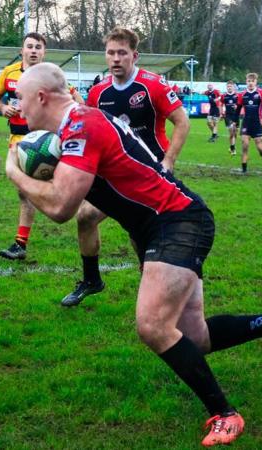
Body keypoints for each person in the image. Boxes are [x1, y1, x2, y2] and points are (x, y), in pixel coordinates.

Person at [7, 62, 262, 447]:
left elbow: (61, 207)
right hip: (165, 222)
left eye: (20, 98)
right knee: (195, 338)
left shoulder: (82, 126)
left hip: (176, 221)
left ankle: (225, 414)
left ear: (41, 97)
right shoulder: (78, 124)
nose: (18, 107)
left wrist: (14, 171)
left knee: (152, 325)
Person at [63, 27, 190, 307]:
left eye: (122, 53)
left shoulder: (153, 85)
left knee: (138, 231)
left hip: (150, 174)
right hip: (116, 173)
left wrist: (168, 161)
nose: (116, 58)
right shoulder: (98, 92)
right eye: (110, 53)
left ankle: (152, 284)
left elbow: (182, 122)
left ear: (135, 55)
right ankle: (91, 280)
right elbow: (94, 129)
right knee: (85, 217)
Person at [0, 32, 85, 262]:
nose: (33, 51)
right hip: (19, 140)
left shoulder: (51, 75)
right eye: (29, 46)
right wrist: (3, 108)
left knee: (55, 187)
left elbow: (78, 102)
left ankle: (83, 214)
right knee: (25, 191)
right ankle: (21, 243)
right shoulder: (9, 73)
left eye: (38, 47)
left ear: (44, 52)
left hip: (47, 142)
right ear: (21, 51)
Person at [237, 72, 262, 174]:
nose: (250, 83)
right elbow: (237, 110)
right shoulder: (242, 95)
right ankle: (244, 170)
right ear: (246, 82)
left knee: (261, 149)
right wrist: (235, 122)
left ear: (256, 82)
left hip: (257, 123)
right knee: (245, 145)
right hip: (246, 123)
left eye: (252, 81)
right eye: (249, 81)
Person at [220, 80, 240, 156]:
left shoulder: (237, 95)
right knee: (231, 130)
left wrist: (237, 106)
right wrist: (221, 113)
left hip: (236, 115)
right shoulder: (224, 96)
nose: (229, 87)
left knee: (235, 133)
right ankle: (233, 149)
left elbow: (240, 104)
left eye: (230, 86)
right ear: (226, 87)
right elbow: (221, 104)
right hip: (228, 116)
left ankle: (231, 146)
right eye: (228, 86)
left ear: (233, 87)